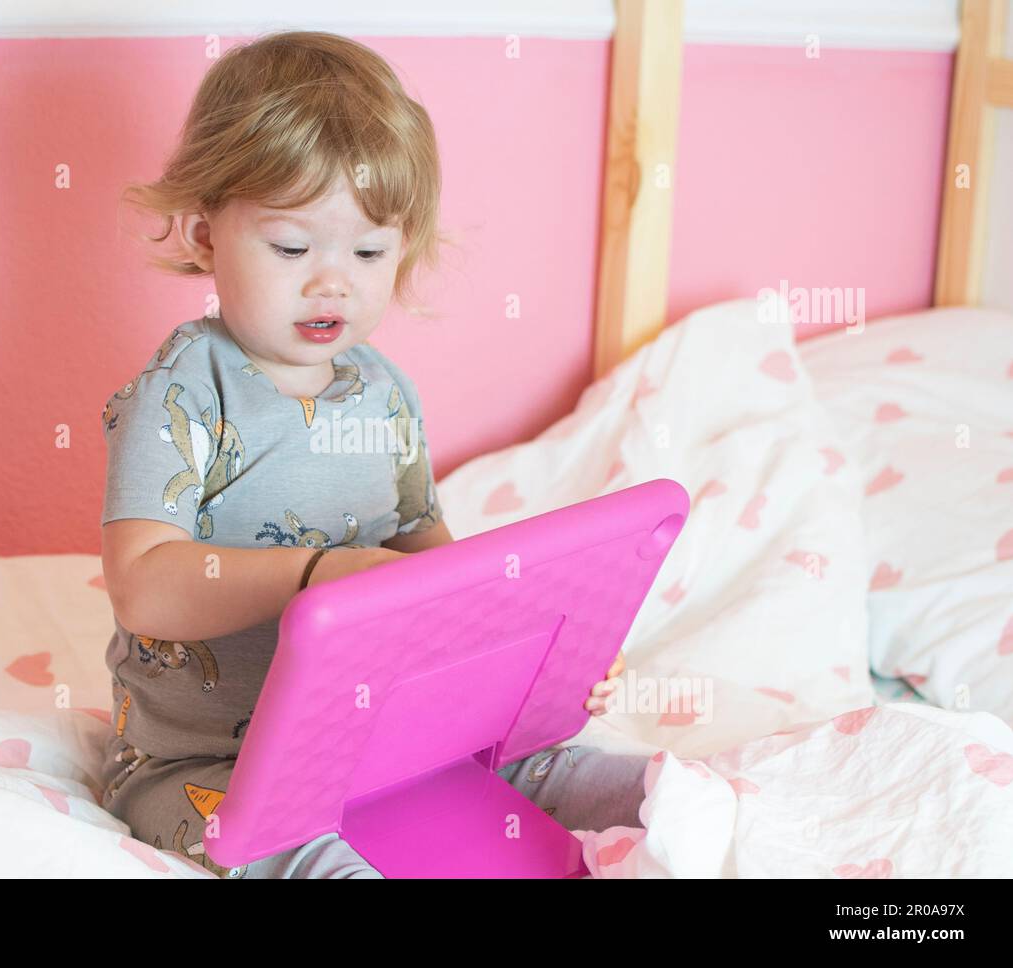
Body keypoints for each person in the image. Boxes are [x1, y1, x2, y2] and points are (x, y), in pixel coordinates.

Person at [98, 30, 644, 879]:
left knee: (562, 767)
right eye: (292, 248)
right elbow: (143, 585)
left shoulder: (383, 391)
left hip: (381, 737)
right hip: (205, 768)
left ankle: (682, 818)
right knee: (297, 849)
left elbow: (425, 542)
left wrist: (532, 652)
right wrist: (317, 576)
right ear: (206, 236)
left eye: (368, 251)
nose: (333, 283)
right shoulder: (183, 389)